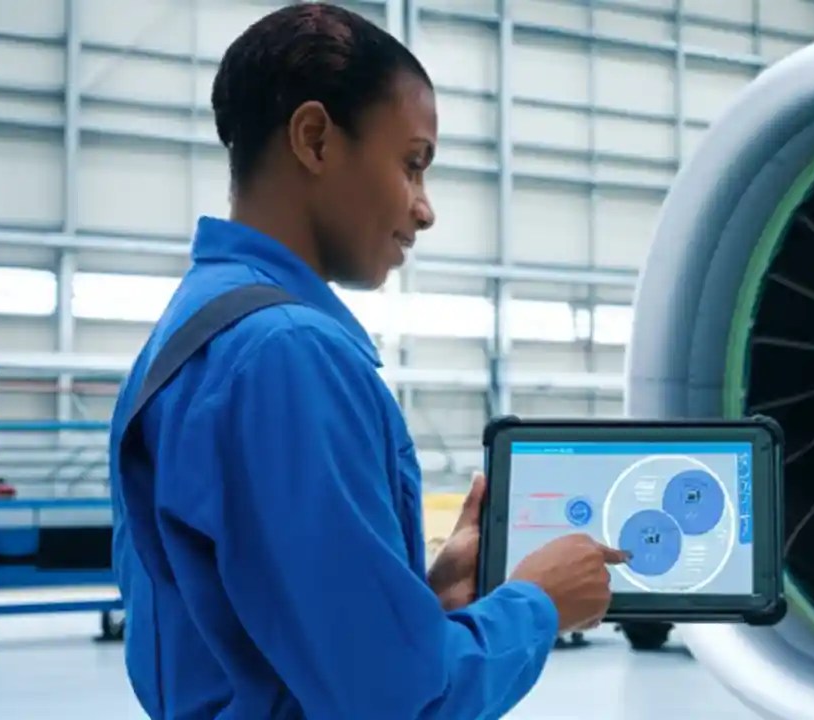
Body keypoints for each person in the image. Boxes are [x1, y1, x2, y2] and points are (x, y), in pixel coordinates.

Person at [107, 5, 628, 719]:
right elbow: (401, 704)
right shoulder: (287, 356)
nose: (424, 210)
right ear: (315, 139)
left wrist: (428, 595)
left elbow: (259, 628)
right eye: (412, 165)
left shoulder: (197, 331)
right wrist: (538, 605)